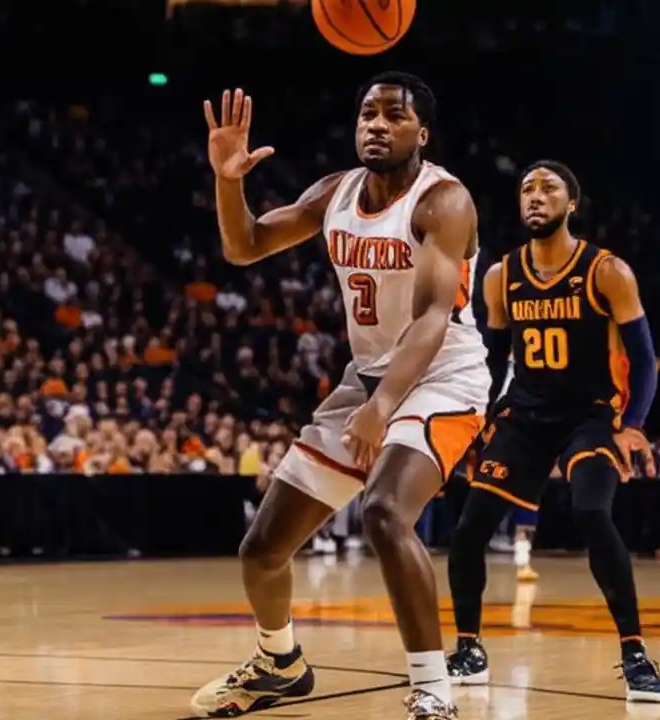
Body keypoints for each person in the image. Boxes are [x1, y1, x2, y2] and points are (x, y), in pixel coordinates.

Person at [190, 73, 486, 720]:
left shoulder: (445, 201)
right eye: (367, 114)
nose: (376, 124)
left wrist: (384, 409)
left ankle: (433, 689)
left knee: (383, 513)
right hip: (369, 380)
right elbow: (244, 247)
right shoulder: (335, 193)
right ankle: (280, 663)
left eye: (394, 115)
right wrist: (228, 177)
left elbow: (435, 315)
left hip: (444, 377)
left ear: (422, 133)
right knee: (263, 550)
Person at [445, 160, 660, 703]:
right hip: (524, 416)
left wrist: (632, 425)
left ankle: (634, 651)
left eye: (548, 188)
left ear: (572, 204)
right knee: (471, 527)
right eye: (526, 189)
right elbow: (494, 361)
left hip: (589, 415)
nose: (535, 197)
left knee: (592, 512)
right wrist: (478, 419)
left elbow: (645, 360)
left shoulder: (607, 271)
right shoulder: (502, 276)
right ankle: (469, 648)